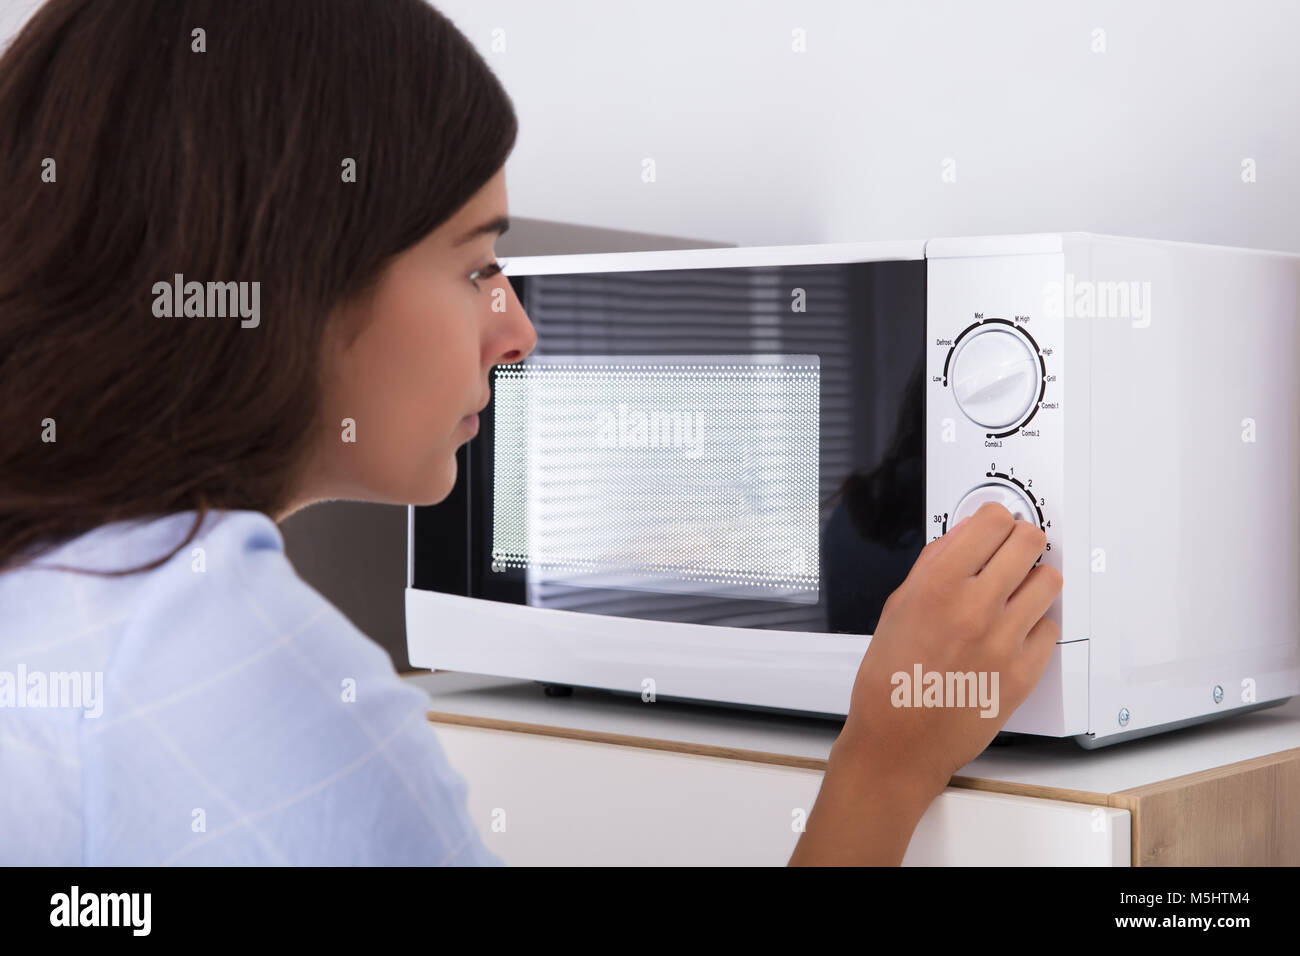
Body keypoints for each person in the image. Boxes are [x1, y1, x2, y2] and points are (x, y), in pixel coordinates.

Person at [0, 0, 1061, 866]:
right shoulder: (256, 684)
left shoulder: (66, 594)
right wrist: (884, 762)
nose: (517, 328)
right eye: (474, 265)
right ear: (300, 284)